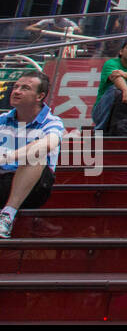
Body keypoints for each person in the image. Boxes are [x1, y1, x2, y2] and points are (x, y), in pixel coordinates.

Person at [0, 72, 64, 238]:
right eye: (16, 87)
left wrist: (8, 157)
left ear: (40, 96)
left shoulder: (51, 121)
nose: (17, 91)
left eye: (25, 88)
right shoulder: (2, 120)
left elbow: (49, 143)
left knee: (37, 153)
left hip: (34, 187)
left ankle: (7, 215)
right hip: (2, 181)